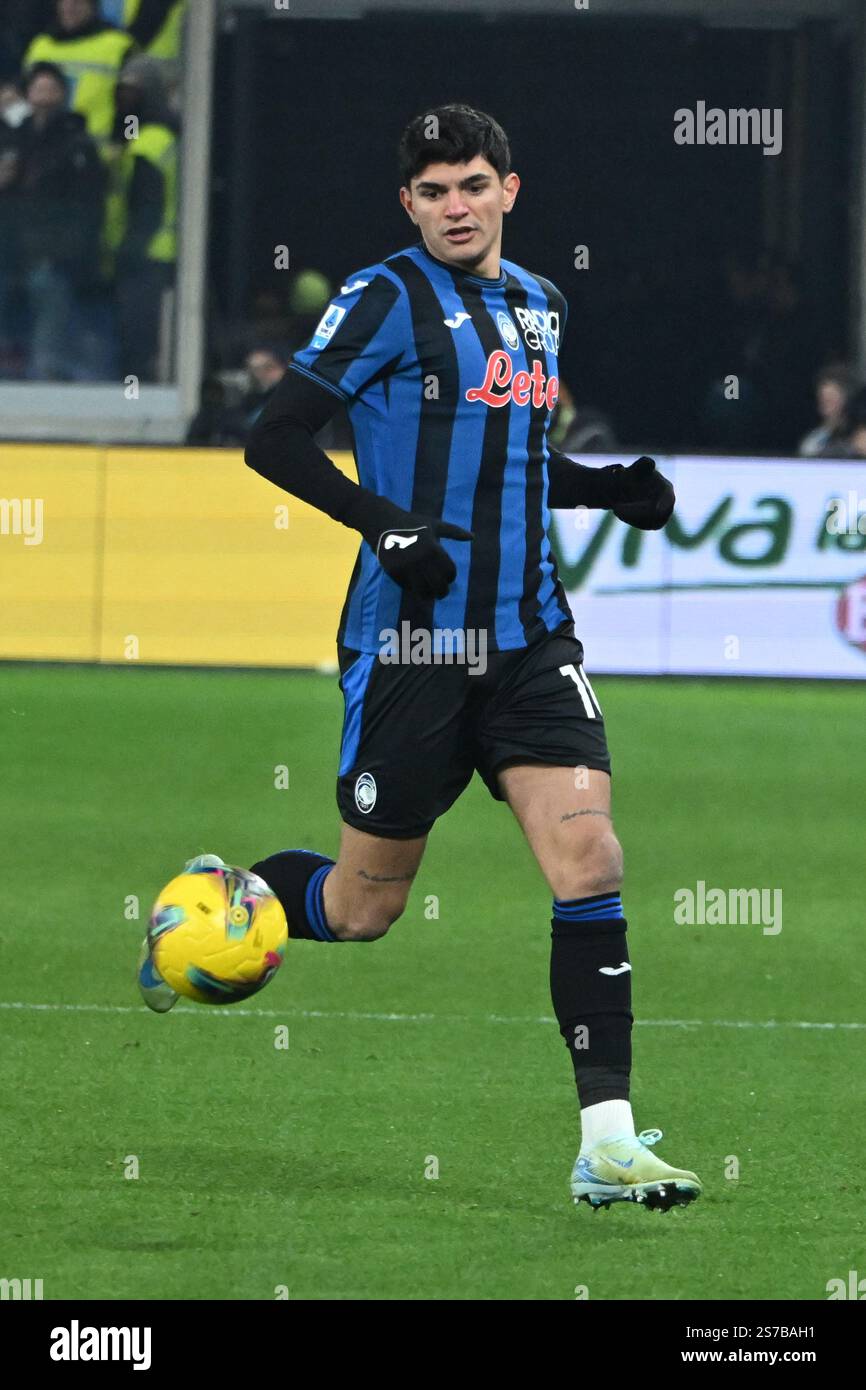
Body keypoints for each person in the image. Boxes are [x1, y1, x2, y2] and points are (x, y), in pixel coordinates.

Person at [140, 104, 700, 1213]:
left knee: (588, 858)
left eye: (473, 184)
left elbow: (516, 458)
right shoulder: (386, 297)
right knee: (362, 909)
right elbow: (274, 433)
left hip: (530, 635)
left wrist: (603, 487)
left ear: (509, 190)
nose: (456, 205)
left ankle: (606, 1140)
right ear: (409, 204)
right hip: (412, 642)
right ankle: (228, 894)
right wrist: (380, 523)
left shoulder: (540, 305)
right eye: (434, 190)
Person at [11, 60, 104, 380]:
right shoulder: (15, 137)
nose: (43, 94)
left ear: (63, 93)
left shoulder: (75, 140)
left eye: (51, 87)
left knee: (49, 309)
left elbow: (87, 202)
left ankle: (44, 376)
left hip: (54, 253)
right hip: (12, 249)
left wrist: (67, 250)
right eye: (38, 87)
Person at [22, 0, 136, 152]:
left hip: (99, 157)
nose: (70, 6)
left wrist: (129, 144)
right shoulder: (40, 46)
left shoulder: (117, 46)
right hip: (41, 157)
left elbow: (134, 108)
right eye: (64, 1)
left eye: (78, 2)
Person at [798, 362, 857, 458]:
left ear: (846, 399)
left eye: (830, 399)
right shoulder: (814, 440)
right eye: (822, 399)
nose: (825, 405)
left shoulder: (859, 436)